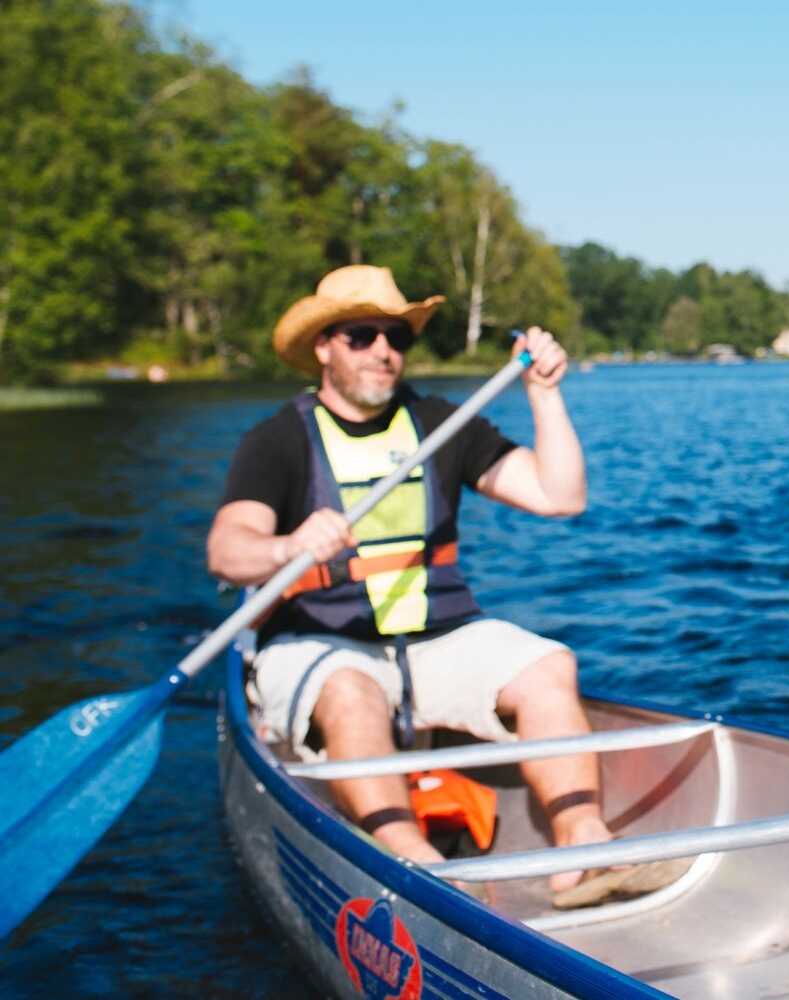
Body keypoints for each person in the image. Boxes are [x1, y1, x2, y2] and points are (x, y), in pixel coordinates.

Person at [207, 265, 607, 894]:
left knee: (548, 666)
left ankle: (584, 843)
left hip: (437, 636)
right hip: (322, 639)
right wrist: (290, 543)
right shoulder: (278, 440)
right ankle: (421, 868)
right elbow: (228, 552)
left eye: (396, 337)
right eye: (361, 336)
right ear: (324, 348)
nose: (384, 351)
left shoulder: (440, 422)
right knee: (348, 691)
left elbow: (561, 496)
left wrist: (545, 395)